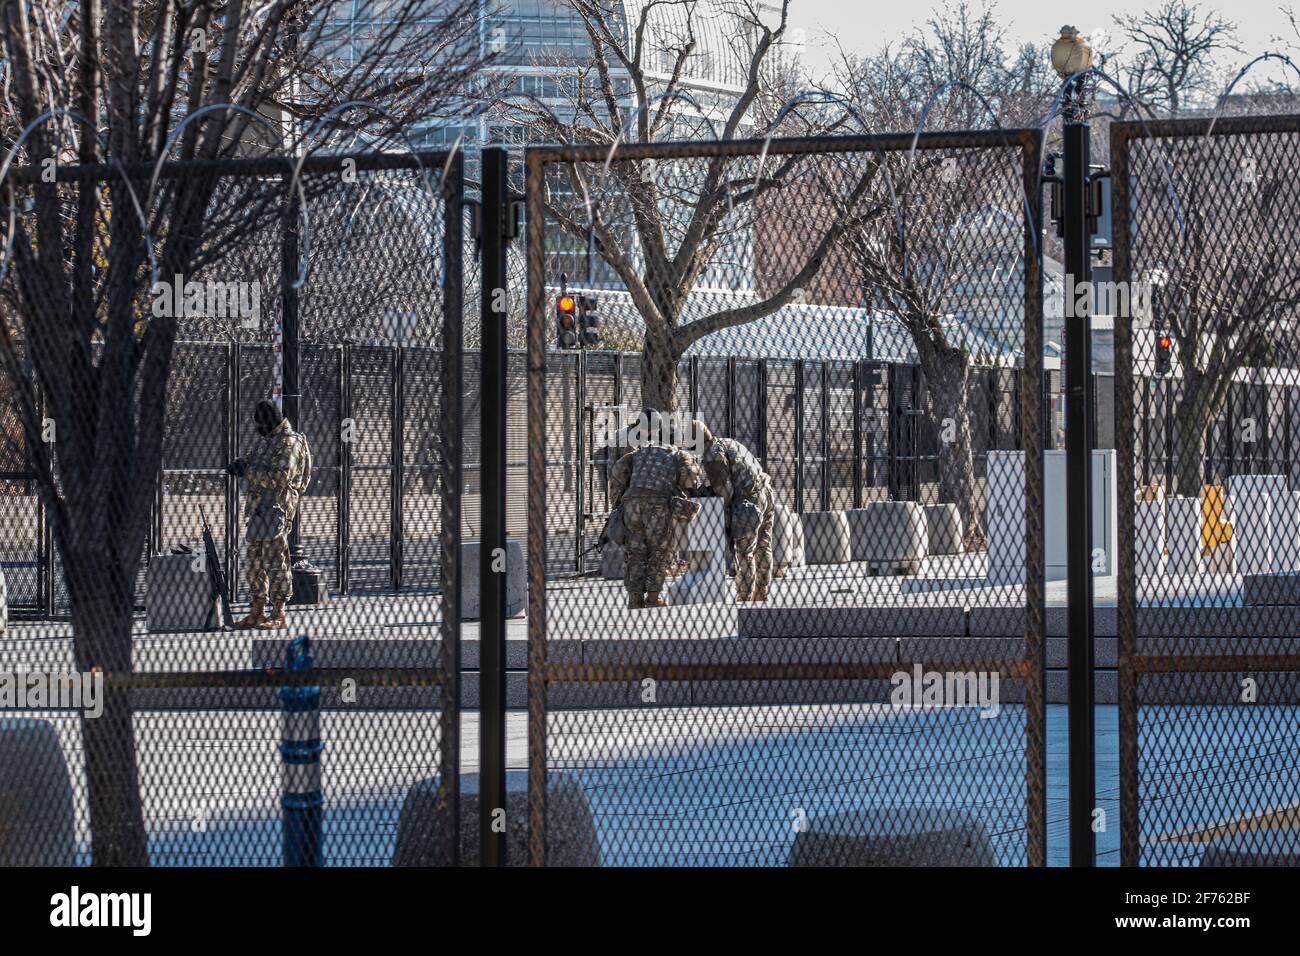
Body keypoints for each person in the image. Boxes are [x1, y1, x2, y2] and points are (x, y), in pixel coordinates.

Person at [226, 400, 313, 629]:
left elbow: (280, 478)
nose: (257, 428)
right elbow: (252, 461)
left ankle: (279, 613)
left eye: (259, 423)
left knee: (275, 560)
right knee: (254, 561)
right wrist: (241, 465)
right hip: (258, 509)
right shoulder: (267, 442)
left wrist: (248, 471)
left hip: (276, 508)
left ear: (269, 421)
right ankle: (257, 610)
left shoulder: (289, 443)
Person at [608, 412, 702, 609]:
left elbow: (617, 472)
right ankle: (653, 598)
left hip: (632, 505)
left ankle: (634, 599)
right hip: (658, 506)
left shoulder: (637, 453)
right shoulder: (678, 454)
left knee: (635, 552)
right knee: (659, 551)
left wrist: (617, 503)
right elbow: (690, 478)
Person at [695, 420, 775, 602]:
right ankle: (762, 590)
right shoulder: (728, 442)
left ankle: (745, 593)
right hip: (766, 492)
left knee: (744, 549)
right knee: (763, 544)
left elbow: (725, 492)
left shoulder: (712, 454)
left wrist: (708, 494)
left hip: (748, 502)